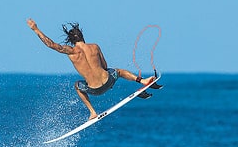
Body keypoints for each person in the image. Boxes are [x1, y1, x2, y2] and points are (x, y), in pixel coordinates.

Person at [26, 18, 159, 119]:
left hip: (94, 90)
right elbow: (105, 66)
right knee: (118, 71)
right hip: (108, 81)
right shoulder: (95, 47)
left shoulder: (71, 52)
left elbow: (52, 45)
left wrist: (36, 29)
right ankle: (142, 81)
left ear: (70, 40)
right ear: (83, 37)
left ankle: (92, 112)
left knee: (77, 85)